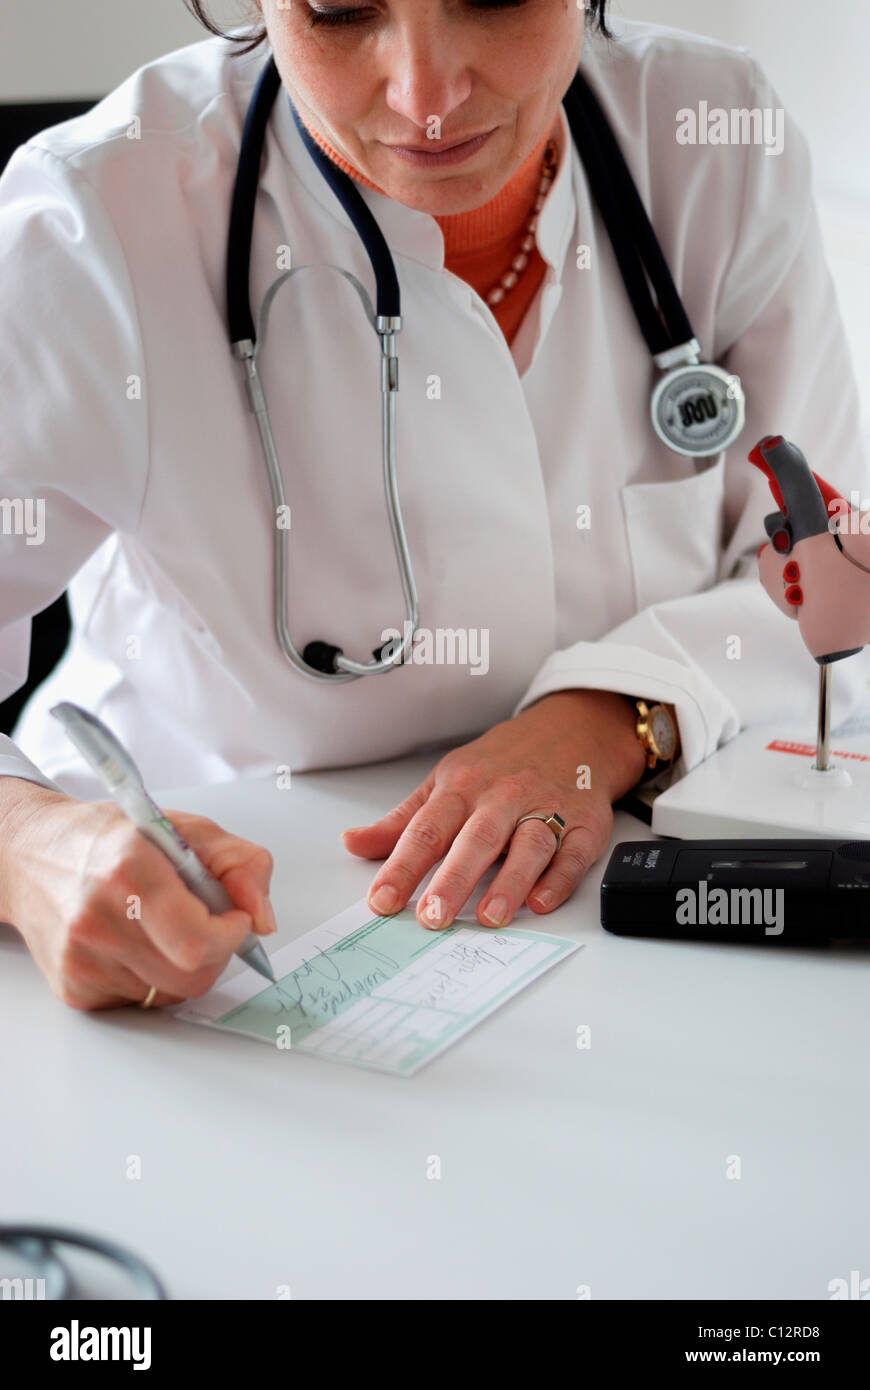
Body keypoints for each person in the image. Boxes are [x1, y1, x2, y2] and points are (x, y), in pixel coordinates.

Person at [0, 1, 866, 1010]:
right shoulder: (94, 219)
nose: (426, 95)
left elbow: (833, 569)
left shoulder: (714, 138)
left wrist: (610, 715)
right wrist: (28, 846)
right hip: (197, 944)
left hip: (624, 927)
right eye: (336, 10)